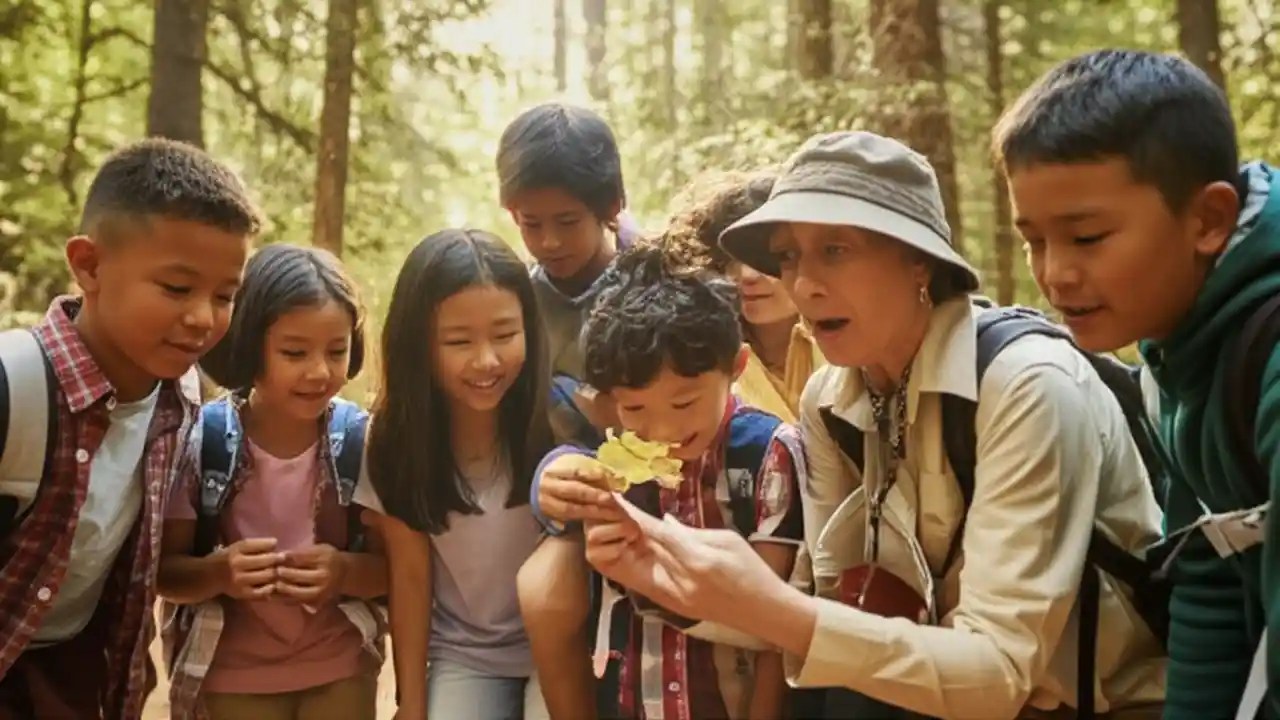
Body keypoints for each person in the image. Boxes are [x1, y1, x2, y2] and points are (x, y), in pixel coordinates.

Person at [583, 131, 1168, 719]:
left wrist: (771, 607)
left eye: (834, 250)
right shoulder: (830, 400)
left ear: (919, 260)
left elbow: (1000, 672)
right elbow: (828, 610)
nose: (804, 284)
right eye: (788, 257)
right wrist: (662, 577)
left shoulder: (1026, 386)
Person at [992, 49, 1276, 720]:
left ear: (1208, 220)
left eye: (1086, 237)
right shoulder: (1174, 357)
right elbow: (1208, 571)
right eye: (1033, 240)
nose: (1054, 274)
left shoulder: (1267, 361)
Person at [0, 138, 257, 719]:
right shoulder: (14, 385)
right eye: (176, 288)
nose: (202, 318)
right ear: (88, 265)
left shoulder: (182, 400)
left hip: (76, 682)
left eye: (225, 296)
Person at [526, 242, 807, 720]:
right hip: (634, 698)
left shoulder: (767, 454)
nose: (663, 432)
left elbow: (772, 627)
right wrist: (550, 486)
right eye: (634, 408)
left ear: (736, 367)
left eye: (684, 404)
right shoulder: (619, 455)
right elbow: (567, 479)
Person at [157, 245, 388, 720]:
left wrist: (343, 572)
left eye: (337, 350)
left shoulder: (362, 443)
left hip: (339, 667)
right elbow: (163, 572)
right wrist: (219, 573)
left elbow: (394, 570)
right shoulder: (203, 441)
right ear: (250, 345)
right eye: (294, 352)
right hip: (231, 674)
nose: (320, 371)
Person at [355, 229, 555, 720]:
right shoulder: (392, 443)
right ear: (418, 345)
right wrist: (412, 704)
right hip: (465, 654)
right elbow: (410, 575)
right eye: (459, 341)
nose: (487, 360)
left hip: (562, 646)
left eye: (506, 335)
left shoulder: (558, 419)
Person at [498, 102, 637, 718]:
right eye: (531, 224)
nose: (549, 242)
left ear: (611, 207)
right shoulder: (517, 304)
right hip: (566, 510)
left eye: (567, 221)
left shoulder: (655, 281)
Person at [662, 169, 825, 423]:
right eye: (732, 259)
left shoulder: (846, 342)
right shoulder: (701, 353)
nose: (748, 274)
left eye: (768, 258)